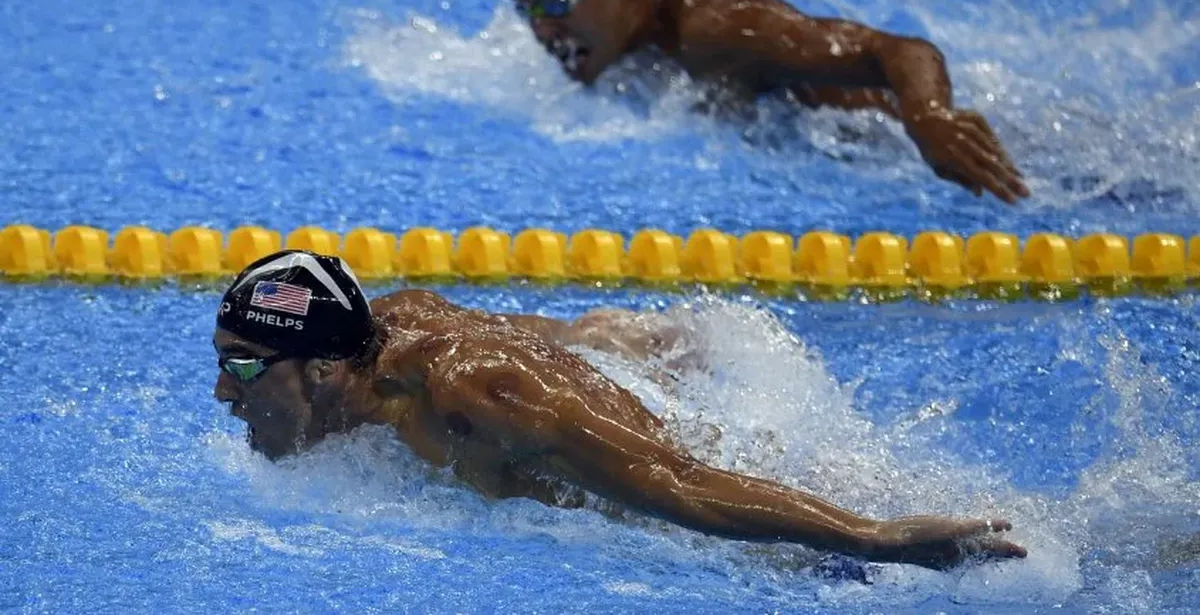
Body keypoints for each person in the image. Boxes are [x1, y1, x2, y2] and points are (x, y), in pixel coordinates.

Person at [213, 249, 1027, 571]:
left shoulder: (467, 393)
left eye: (241, 366)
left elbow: (680, 482)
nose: (223, 392)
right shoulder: (364, 336)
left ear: (321, 368)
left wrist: (869, 535)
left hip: (742, 521)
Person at [506, 0, 1030, 204]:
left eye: (553, 4)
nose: (540, 31)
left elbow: (902, 50)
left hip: (892, 145)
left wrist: (930, 118)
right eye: (523, 10)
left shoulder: (722, 29)